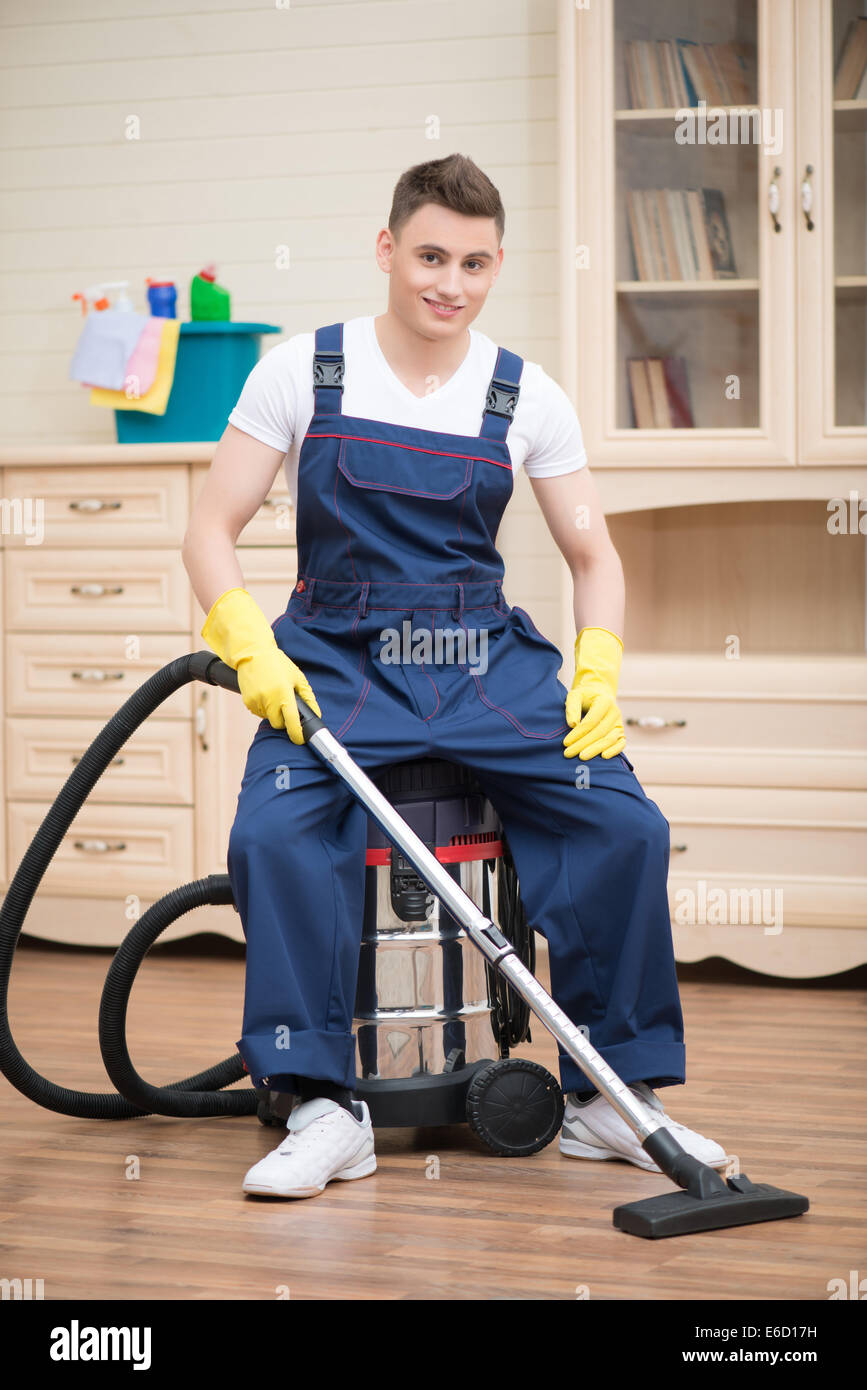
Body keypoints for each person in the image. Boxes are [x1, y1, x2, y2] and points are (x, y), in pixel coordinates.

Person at [183, 154, 727, 1199]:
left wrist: (598, 668)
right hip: (336, 660)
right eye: (431, 256)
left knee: (624, 823)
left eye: (475, 263)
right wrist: (251, 643)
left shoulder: (525, 393)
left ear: (497, 264)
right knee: (273, 831)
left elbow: (594, 555)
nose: (451, 283)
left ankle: (613, 1098)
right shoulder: (305, 372)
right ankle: (319, 1103)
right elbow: (211, 528)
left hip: (483, 664)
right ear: (387, 250)